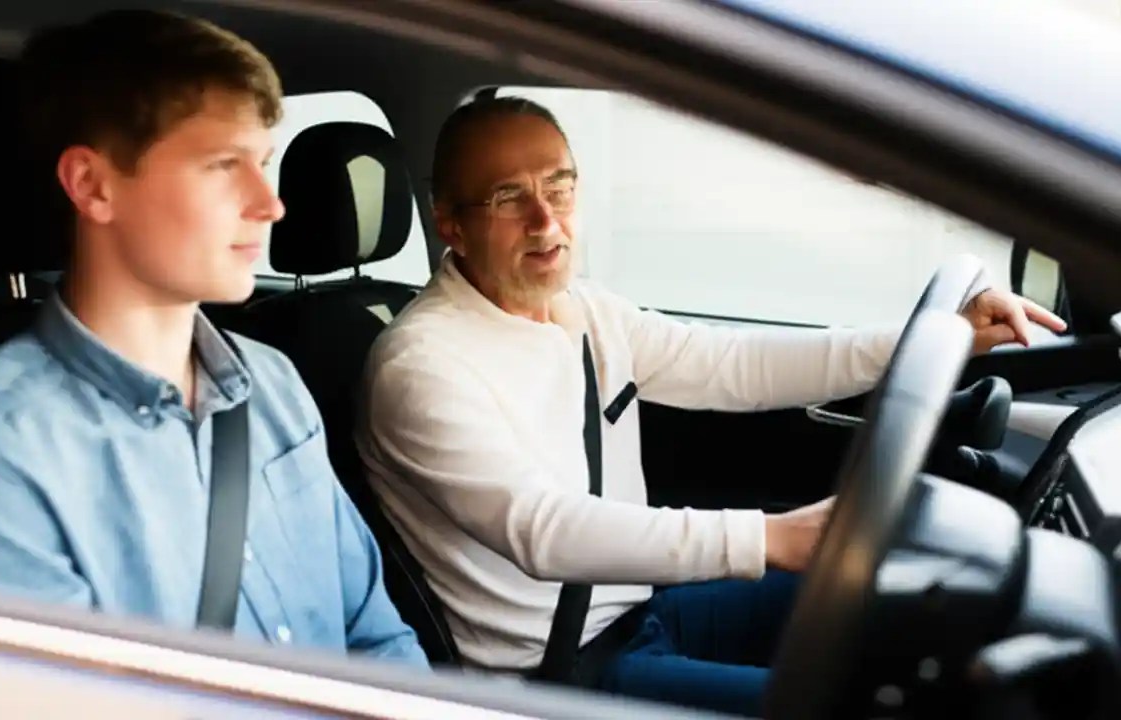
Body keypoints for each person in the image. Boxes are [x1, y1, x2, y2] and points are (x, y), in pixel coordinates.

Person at [354, 96, 1065, 711]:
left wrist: (938, 336)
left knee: (908, 601)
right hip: (559, 673)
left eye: (560, 187)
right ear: (450, 222)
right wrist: (768, 537)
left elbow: (735, 366)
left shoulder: (584, 311)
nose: (546, 220)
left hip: (642, 608)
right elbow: (544, 531)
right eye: (510, 197)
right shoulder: (419, 366)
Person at [0, 9, 427, 667]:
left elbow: (377, 637)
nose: (271, 203)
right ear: (93, 187)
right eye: (222, 164)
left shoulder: (275, 383)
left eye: (263, 161)